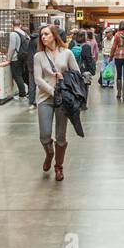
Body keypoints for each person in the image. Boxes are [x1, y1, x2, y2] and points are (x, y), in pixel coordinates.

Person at [33, 23, 79, 181]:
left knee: (61, 136)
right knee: (45, 134)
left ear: (54, 35)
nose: (43, 37)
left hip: (63, 100)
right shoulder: (38, 56)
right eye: (41, 35)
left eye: (46, 34)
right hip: (45, 98)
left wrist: (63, 77)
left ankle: (59, 167)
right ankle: (49, 154)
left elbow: (76, 74)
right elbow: (38, 79)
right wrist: (53, 91)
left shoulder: (67, 53)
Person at [8, 20, 30, 101]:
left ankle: (22, 95)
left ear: (12, 25)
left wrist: (8, 58)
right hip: (23, 57)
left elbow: (12, 47)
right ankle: (29, 92)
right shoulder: (25, 33)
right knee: (22, 75)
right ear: (20, 25)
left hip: (15, 58)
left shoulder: (13, 34)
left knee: (17, 76)